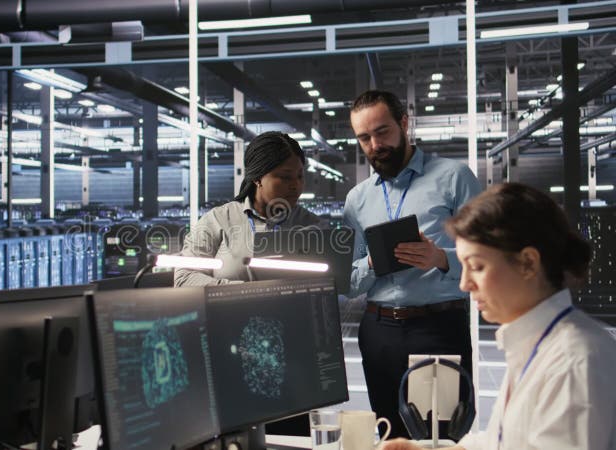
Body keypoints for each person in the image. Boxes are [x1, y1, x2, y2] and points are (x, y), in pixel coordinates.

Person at [382, 182, 616, 450]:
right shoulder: (538, 343)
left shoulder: (574, 362)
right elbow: (503, 442)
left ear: (527, 263)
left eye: (477, 267)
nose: (465, 284)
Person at [343, 90, 482, 438]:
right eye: (364, 137)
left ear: (404, 124)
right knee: (391, 436)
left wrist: (441, 259)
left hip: (438, 327)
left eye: (383, 131)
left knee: (441, 436)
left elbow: (488, 257)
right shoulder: (357, 200)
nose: (375, 144)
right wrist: (374, 264)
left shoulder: (454, 178)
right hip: (379, 332)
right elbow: (347, 280)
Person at [174, 130, 326, 287]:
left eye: (300, 176)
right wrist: (243, 291)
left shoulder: (313, 226)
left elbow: (331, 282)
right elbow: (184, 278)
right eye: (285, 177)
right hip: (231, 311)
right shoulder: (218, 221)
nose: (296, 185)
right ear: (257, 178)